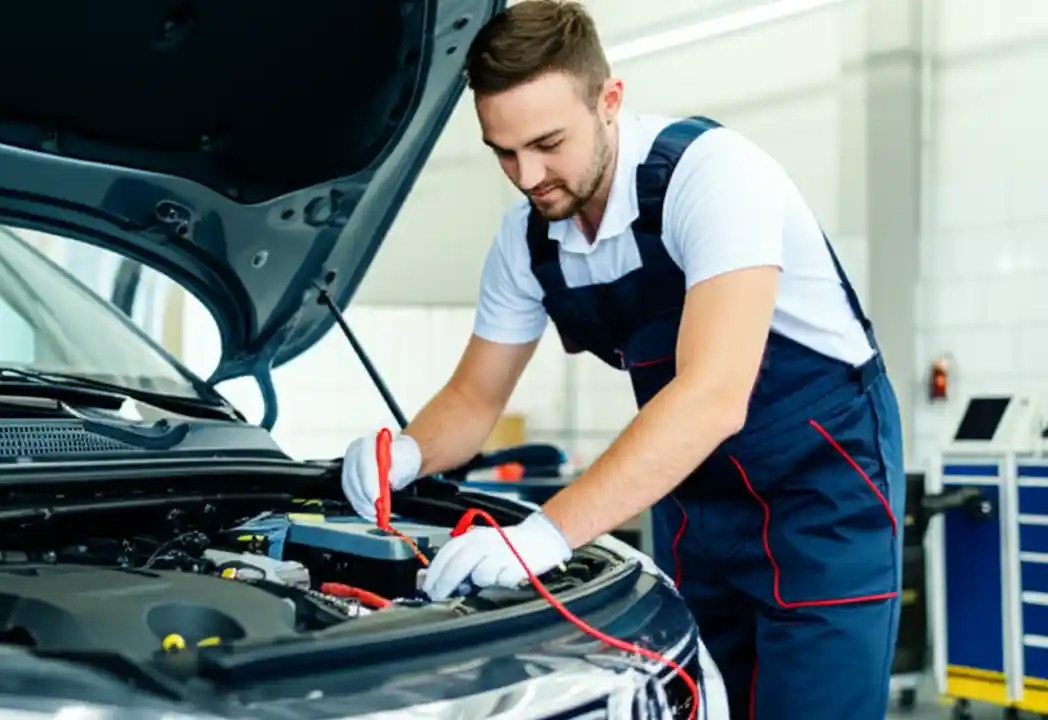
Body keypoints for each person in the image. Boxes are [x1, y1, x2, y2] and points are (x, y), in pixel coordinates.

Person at [340, 1, 904, 718]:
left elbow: (713, 394)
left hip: (821, 490)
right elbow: (475, 400)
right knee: (699, 702)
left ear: (609, 101)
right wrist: (408, 453)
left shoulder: (713, 177)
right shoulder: (528, 241)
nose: (528, 174)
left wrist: (544, 534)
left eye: (548, 142)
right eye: (504, 152)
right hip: (695, 502)